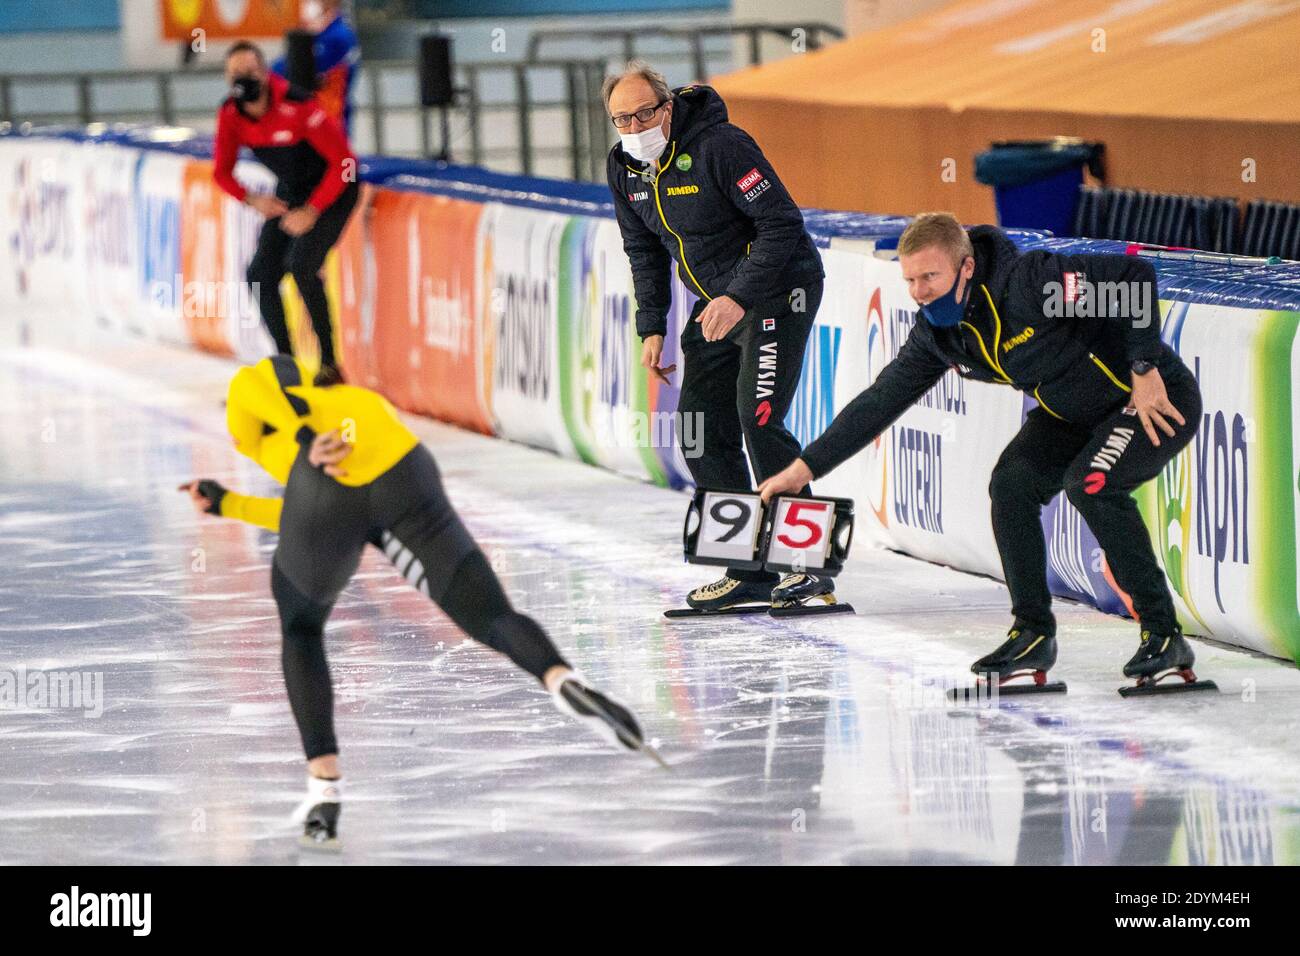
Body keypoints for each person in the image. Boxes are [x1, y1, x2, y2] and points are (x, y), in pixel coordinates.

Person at [180, 356, 647, 848]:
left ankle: (324, 786)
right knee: (492, 616)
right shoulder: (362, 401)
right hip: (405, 476)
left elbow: (258, 379)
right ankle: (559, 676)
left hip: (323, 497)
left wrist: (300, 439)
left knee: (301, 628)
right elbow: (304, 505)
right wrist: (230, 503)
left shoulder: (269, 432)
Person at [759, 212, 1210, 693]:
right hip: (1069, 413)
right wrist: (803, 468)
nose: (919, 291)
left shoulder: (1031, 285)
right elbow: (880, 401)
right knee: (1010, 485)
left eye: (930, 276)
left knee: (1090, 485)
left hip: (1148, 401)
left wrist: (1144, 366)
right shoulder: (939, 335)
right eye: (910, 279)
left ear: (966, 267)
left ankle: (1164, 636)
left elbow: (1132, 279)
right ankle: (1032, 632)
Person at [603, 60, 829, 613]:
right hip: (717, 305)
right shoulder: (625, 170)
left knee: (760, 419)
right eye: (621, 120)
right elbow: (644, 251)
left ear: (668, 106)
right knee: (700, 429)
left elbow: (782, 223)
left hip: (778, 290)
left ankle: (807, 566)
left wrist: (738, 297)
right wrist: (651, 326)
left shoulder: (721, 146)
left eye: (643, 114)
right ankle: (746, 570)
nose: (634, 128)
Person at [214, 40, 358, 385]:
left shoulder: (300, 106)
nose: (242, 79)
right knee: (260, 274)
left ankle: (329, 364)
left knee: (302, 265)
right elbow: (221, 172)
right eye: (234, 73)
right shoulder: (231, 114)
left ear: (265, 73)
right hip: (290, 193)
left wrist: (313, 210)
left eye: (249, 72)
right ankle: (287, 364)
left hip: (334, 189)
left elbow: (346, 164)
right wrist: (253, 200)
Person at [271, 0, 360, 135]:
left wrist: (265, 74)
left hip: (330, 117)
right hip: (312, 116)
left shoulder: (338, 35)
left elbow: (298, 66)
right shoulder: (322, 33)